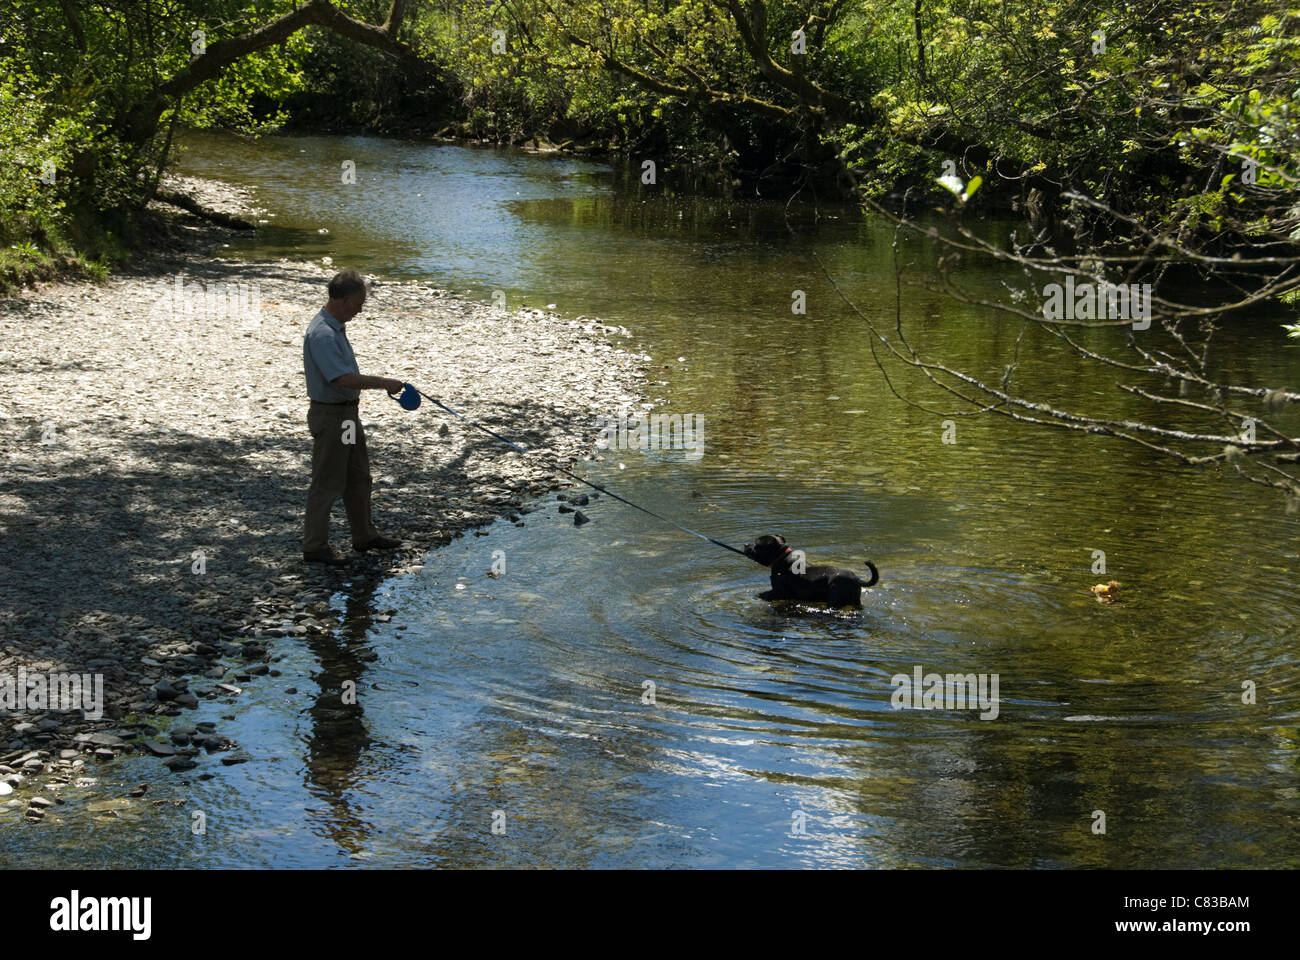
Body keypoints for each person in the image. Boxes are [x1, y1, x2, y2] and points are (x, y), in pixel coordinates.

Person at [301, 269, 404, 565]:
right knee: (327, 482)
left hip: (347, 417)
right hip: (331, 418)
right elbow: (342, 379)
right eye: (359, 304)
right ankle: (314, 547)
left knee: (358, 477)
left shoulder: (334, 327)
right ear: (344, 300)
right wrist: (384, 382)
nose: (360, 310)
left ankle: (364, 536)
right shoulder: (322, 333)